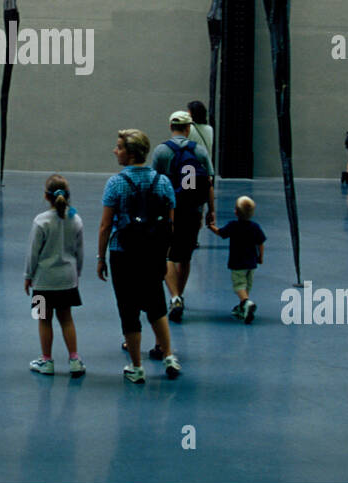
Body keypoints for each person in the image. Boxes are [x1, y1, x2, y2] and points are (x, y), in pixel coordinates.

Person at [97, 128, 181, 383]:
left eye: (119, 147)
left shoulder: (116, 183)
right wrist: (162, 252)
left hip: (124, 254)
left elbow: (105, 226)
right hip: (152, 253)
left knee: (128, 309)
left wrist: (100, 258)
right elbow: (170, 223)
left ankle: (136, 367)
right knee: (156, 305)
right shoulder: (163, 182)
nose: (115, 151)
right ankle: (168, 355)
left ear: (131, 153)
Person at [151, 110, 216, 324]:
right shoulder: (199, 151)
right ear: (188, 128)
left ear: (171, 126)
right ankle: (181, 294)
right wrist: (210, 211)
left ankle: (174, 296)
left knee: (167, 254)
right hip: (193, 211)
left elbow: (155, 182)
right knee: (185, 256)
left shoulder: (161, 151)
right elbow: (208, 183)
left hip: (169, 210)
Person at [25, 174, 85, 376]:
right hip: (67, 281)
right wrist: (77, 274)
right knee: (67, 319)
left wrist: (28, 276)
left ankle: (46, 361)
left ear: (46, 196)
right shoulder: (75, 219)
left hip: (43, 283)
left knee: (43, 319)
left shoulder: (40, 221)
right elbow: (80, 251)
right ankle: (75, 359)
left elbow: (33, 253)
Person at [208, 195, 265, 323]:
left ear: (235, 212)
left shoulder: (233, 226)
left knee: (239, 286)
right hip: (251, 263)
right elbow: (260, 243)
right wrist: (260, 257)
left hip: (237, 263)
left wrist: (211, 226)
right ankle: (242, 307)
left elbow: (221, 233)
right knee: (247, 286)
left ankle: (246, 303)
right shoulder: (255, 227)